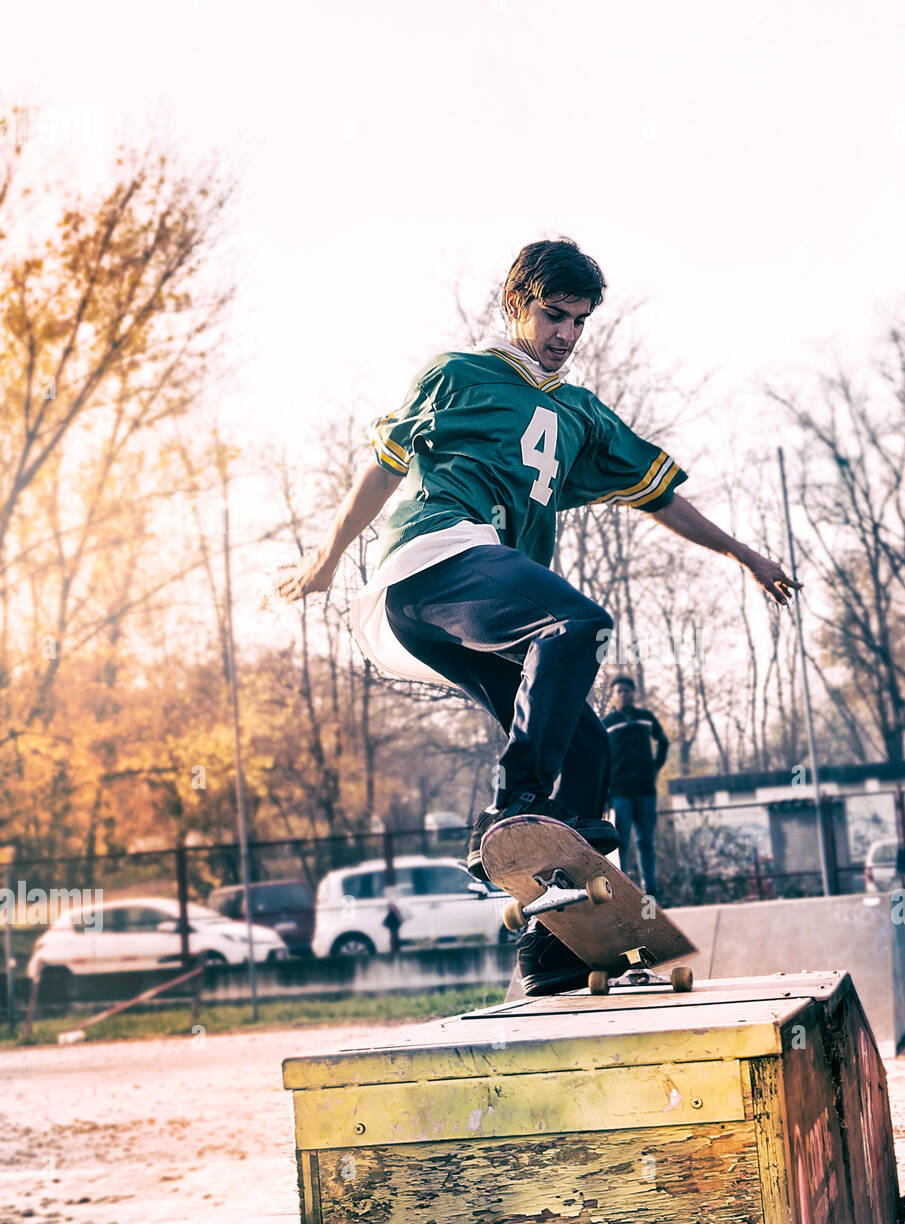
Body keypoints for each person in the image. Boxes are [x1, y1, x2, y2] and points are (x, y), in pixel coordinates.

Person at [276, 237, 800, 994]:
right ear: (515, 304)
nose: (565, 335)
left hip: (481, 606)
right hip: (430, 565)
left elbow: (659, 498)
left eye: (580, 322)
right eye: (553, 315)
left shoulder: (582, 413)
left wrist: (743, 554)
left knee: (589, 752)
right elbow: (384, 468)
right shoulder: (458, 374)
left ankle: (549, 956)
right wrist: (326, 561)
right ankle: (511, 808)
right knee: (576, 623)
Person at [603, 676, 669, 900]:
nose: (623, 694)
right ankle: (621, 890)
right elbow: (600, 758)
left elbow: (663, 742)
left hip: (645, 791)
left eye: (627, 691)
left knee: (645, 841)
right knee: (621, 842)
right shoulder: (607, 723)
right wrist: (606, 791)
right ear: (614, 695)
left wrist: (655, 768)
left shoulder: (645, 718)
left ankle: (650, 890)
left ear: (633, 694)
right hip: (620, 792)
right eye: (619, 691)